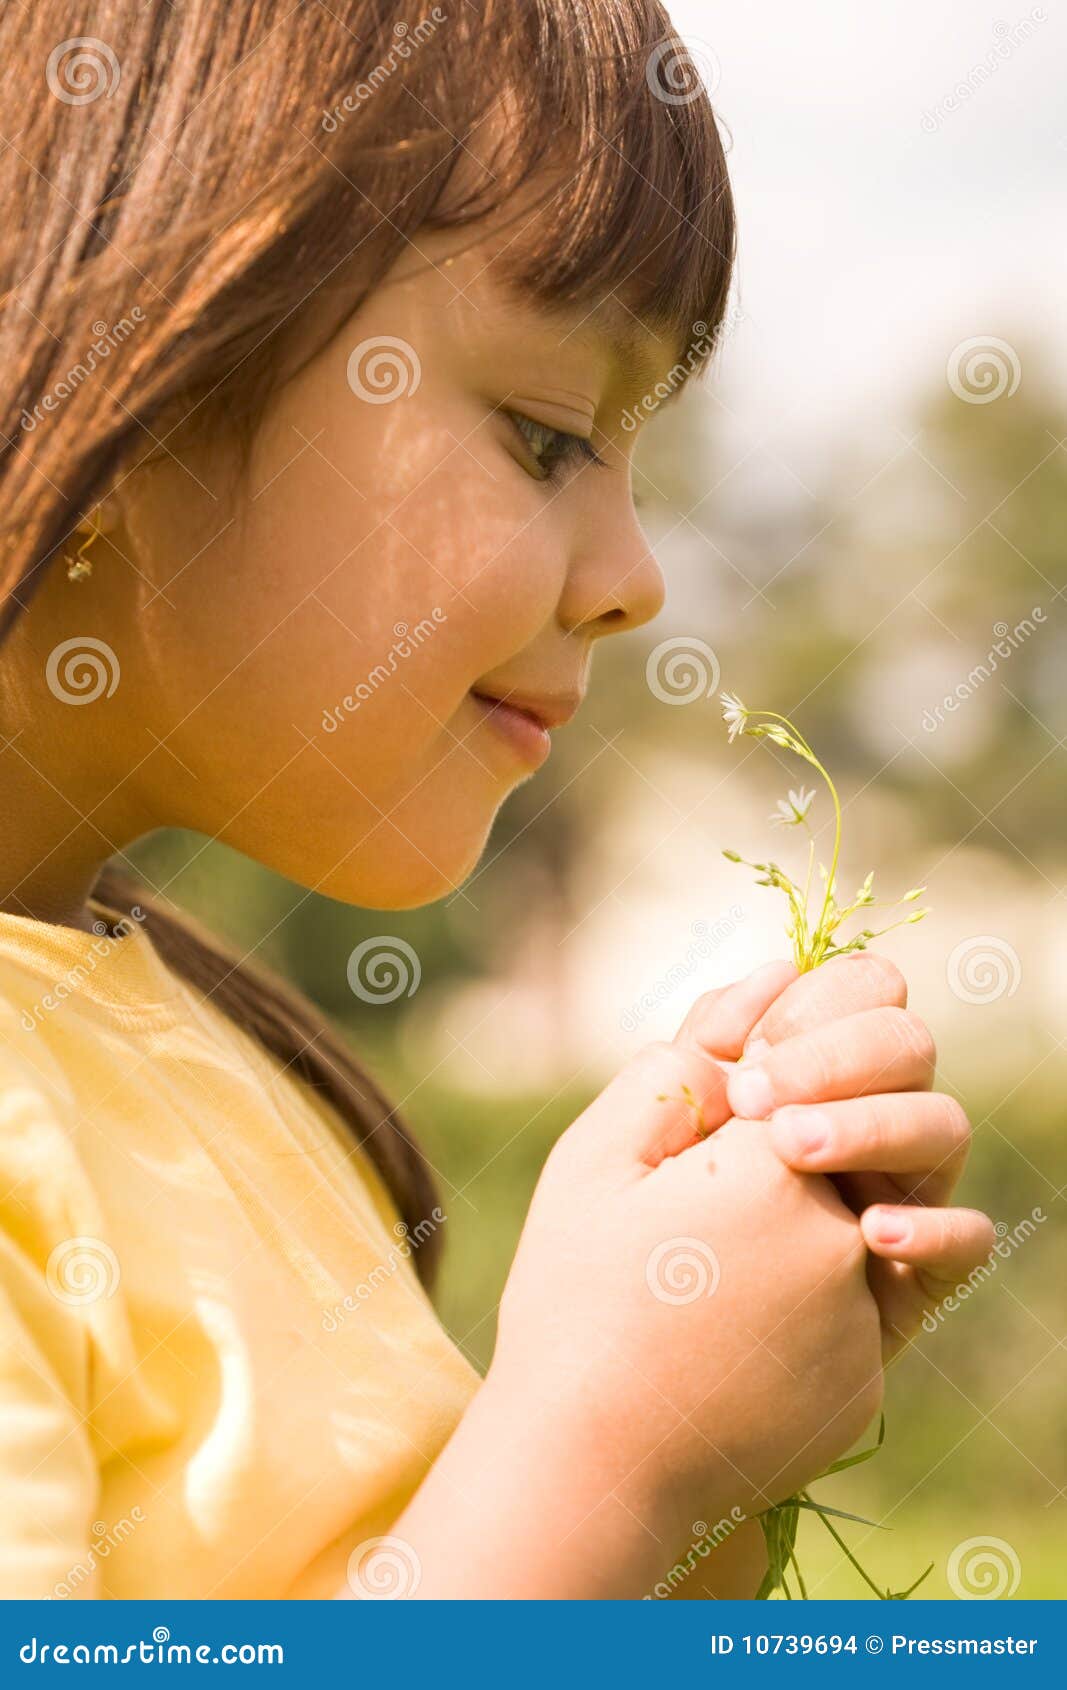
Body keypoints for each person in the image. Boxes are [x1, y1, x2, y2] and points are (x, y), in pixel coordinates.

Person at [0, 0, 991, 1598]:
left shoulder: (217, 1062)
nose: (637, 580)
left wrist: (700, 1449)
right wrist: (602, 1446)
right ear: (145, 369)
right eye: (544, 437)